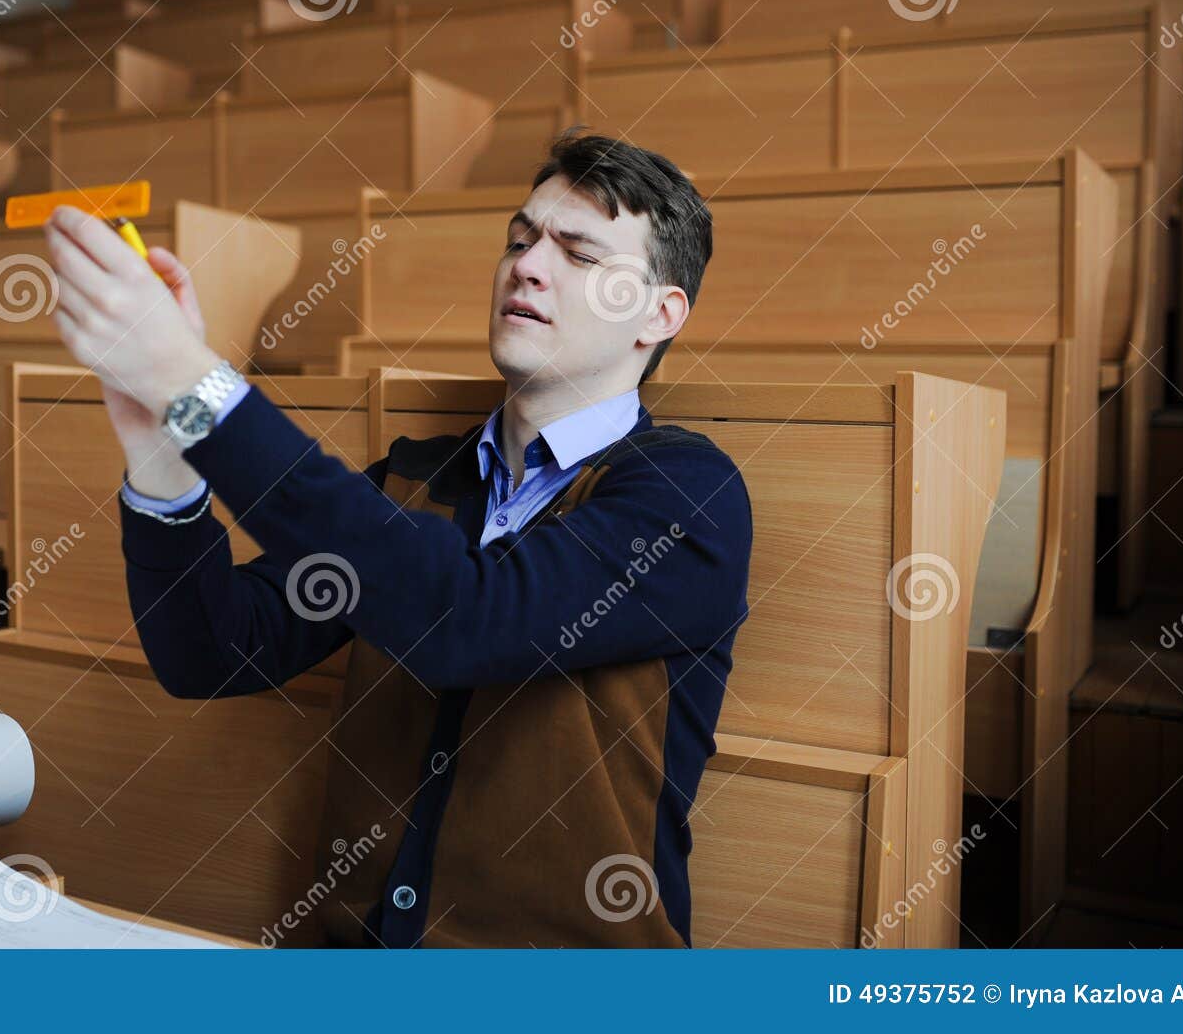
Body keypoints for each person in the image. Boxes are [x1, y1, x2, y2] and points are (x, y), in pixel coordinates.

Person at [41, 130, 752, 947]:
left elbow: (465, 616)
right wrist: (163, 446)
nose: (526, 264)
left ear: (659, 315)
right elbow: (209, 650)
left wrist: (192, 386)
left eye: (578, 253)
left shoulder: (690, 499)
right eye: (520, 239)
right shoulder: (412, 481)